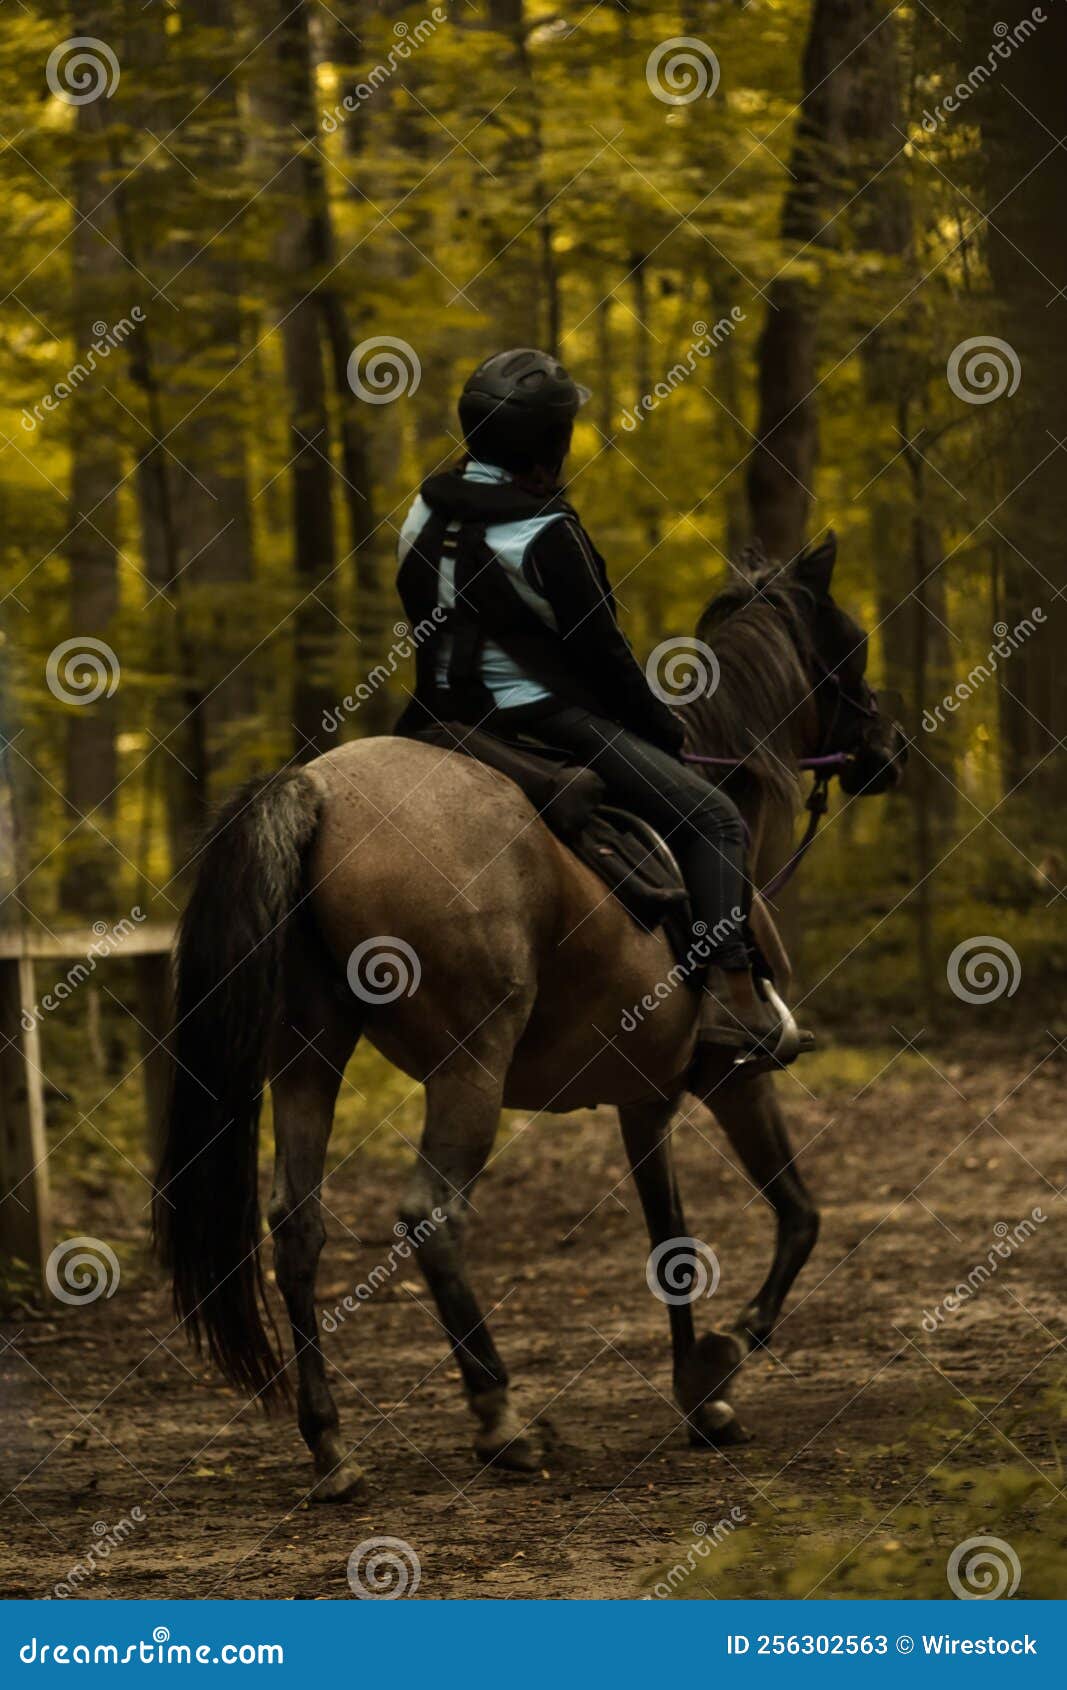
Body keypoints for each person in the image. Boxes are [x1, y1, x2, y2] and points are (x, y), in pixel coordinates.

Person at [395, 346, 781, 1056]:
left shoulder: (422, 511)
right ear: (549, 443)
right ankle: (731, 1005)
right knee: (717, 818)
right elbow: (604, 659)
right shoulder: (549, 533)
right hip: (542, 724)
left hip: (435, 721)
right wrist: (661, 729)